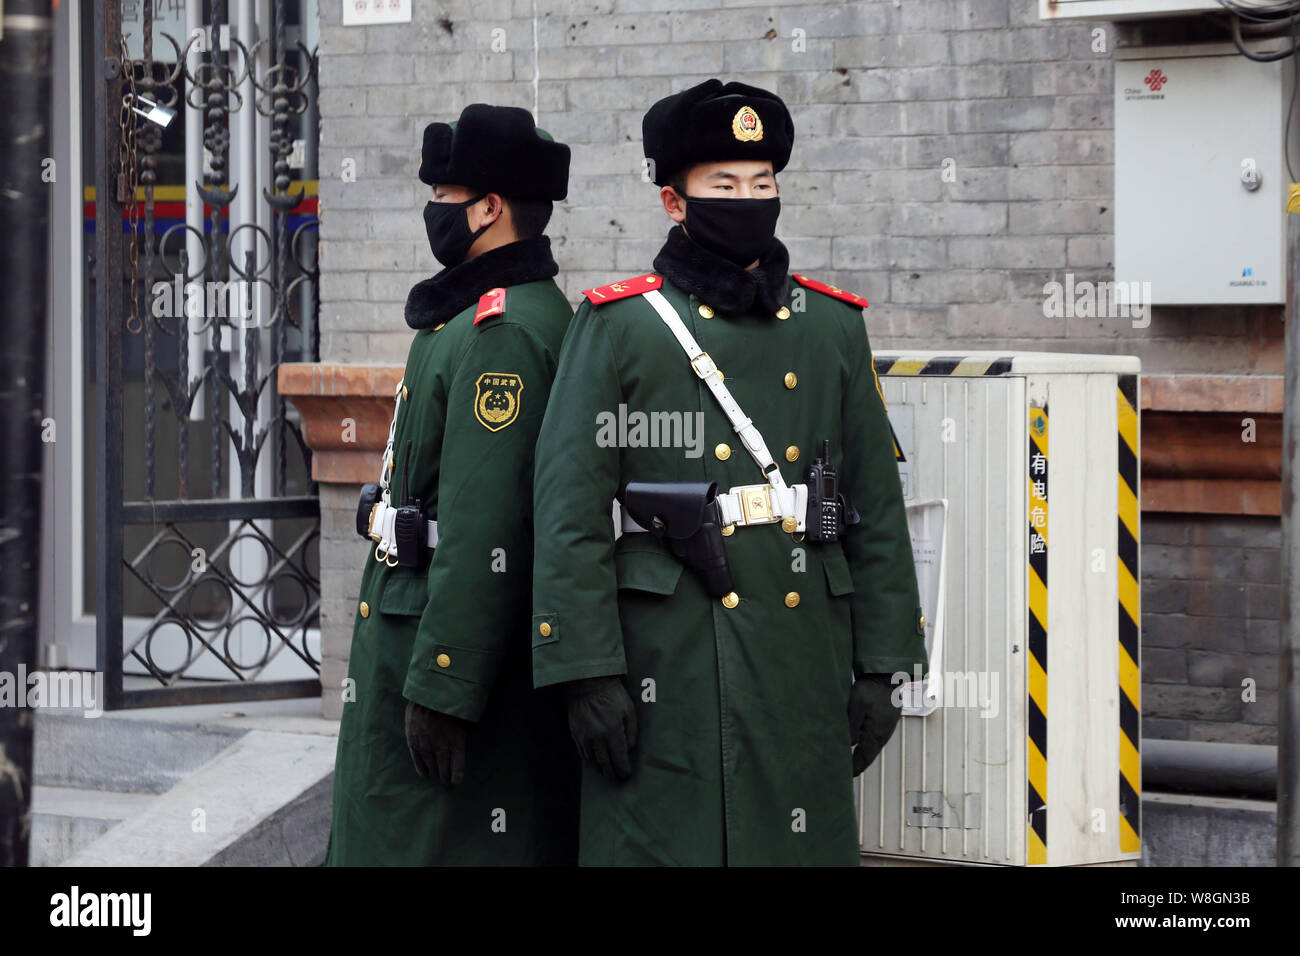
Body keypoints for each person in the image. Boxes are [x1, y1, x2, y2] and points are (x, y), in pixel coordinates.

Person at [530, 79, 927, 866]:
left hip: (801, 651)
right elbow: (568, 510)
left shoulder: (832, 327)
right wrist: (585, 671)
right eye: (724, 185)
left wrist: (884, 665)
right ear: (676, 202)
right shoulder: (621, 325)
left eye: (763, 183)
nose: (749, 199)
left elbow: (875, 508)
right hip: (668, 657)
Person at [327, 104, 578, 866]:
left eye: (443, 197)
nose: (433, 211)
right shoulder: (463, 319)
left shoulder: (503, 332)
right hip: (408, 629)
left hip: (440, 655)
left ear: (490, 209)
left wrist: (443, 683)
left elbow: (485, 530)